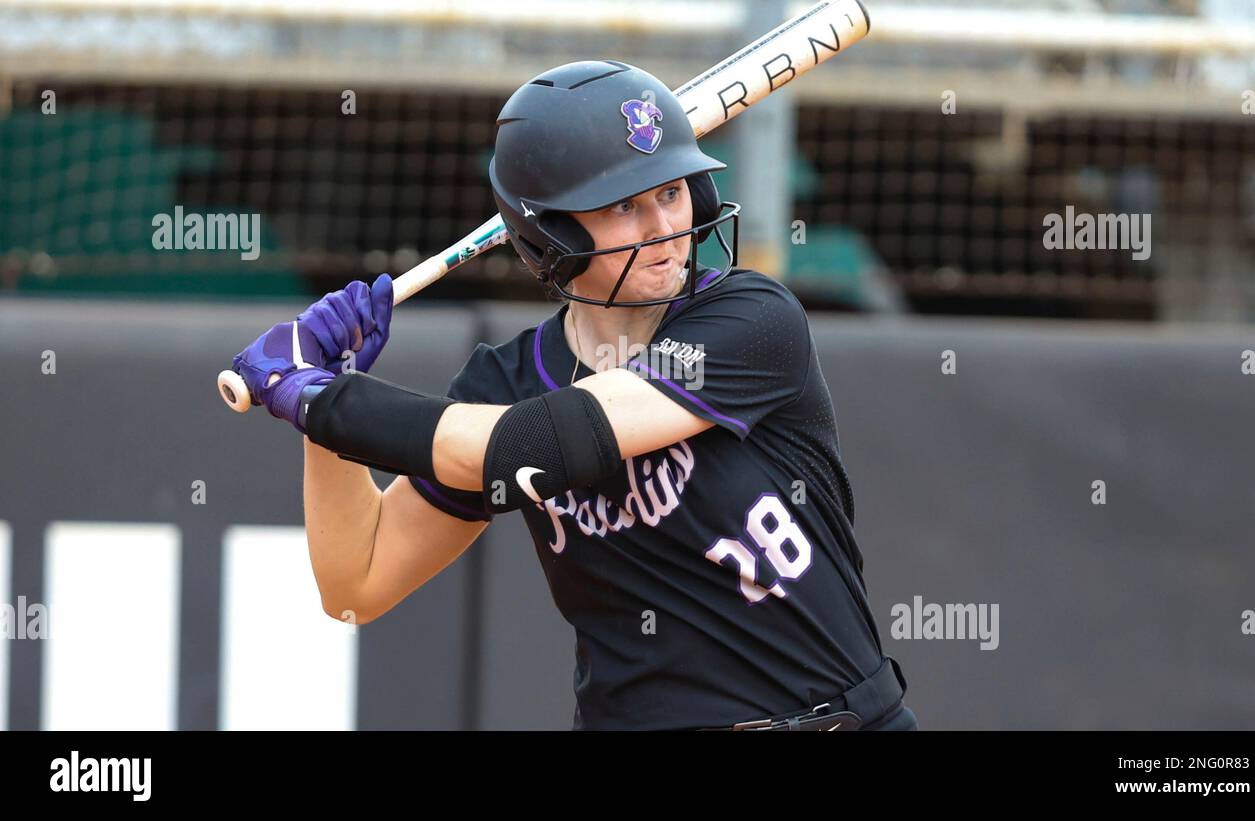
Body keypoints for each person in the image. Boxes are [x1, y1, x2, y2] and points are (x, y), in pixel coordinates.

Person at [231, 60, 917, 731]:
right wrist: (325, 400)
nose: (661, 228)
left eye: (673, 191)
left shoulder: (752, 321)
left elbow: (539, 445)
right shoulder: (508, 382)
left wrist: (321, 399)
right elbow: (358, 582)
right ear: (551, 232)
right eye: (624, 204)